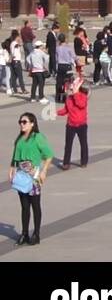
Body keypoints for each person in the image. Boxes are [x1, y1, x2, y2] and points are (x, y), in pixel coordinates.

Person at [9, 112, 54, 246]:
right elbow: (15, 157)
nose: (22, 124)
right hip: (22, 176)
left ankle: (36, 234)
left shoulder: (38, 137)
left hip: (34, 176)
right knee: (24, 206)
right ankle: (24, 234)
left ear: (32, 123)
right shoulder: (20, 139)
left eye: (24, 122)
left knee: (35, 205)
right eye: (20, 122)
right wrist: (12, 169)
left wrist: (44, 171)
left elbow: (49, 154)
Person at [57, 77, 89, 169]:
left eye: (72, 86)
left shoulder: (83, 96)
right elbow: (66, 110)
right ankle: (66, 163)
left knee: (83, 144)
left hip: (81, 125)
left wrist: (75, 93)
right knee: (68, 145)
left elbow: (81, 104)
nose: (70, 88)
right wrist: (56, 113)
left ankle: (84, 162)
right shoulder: (69, 98)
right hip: (71, 124)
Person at [54, 33, 75, 103]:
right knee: (69, 82)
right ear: (65, 39)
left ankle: (58, 97)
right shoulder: (69, 48)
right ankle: (66, 98)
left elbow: (56, 58)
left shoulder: (57, 48)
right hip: (67, 66)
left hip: (60, 65)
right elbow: (74, 56)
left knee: (59, 82)